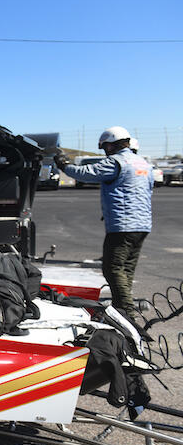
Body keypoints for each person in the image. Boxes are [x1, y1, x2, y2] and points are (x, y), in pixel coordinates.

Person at [55, 126, 154, 319]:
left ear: (110, 145)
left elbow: (87, 173)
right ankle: (121, 306)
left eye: (105, 147)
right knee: (126, 270)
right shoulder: (142, 163)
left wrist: (64, 166)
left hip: (123, 225)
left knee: (113, 268)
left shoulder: (117, 162)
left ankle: (127, 315)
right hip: (142, 224)